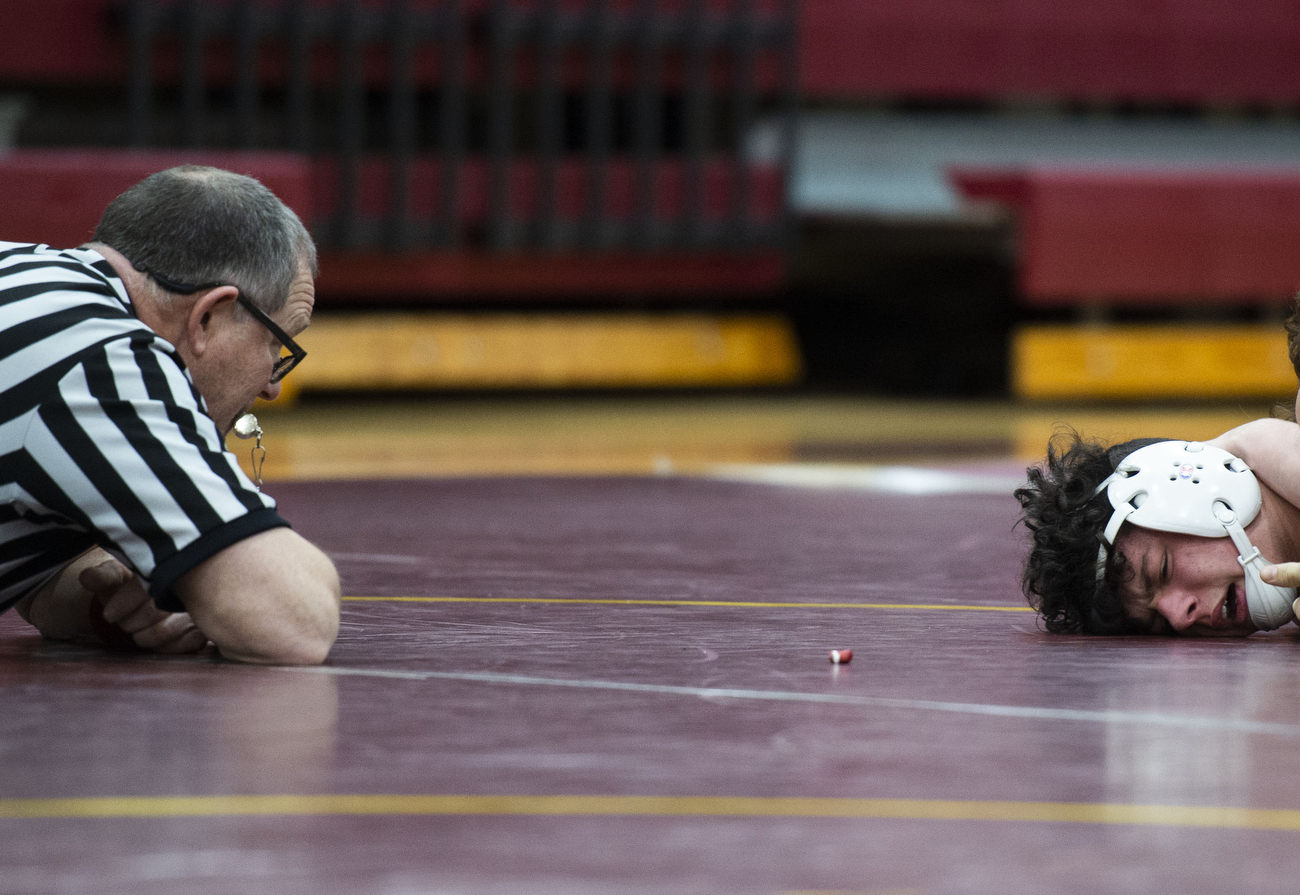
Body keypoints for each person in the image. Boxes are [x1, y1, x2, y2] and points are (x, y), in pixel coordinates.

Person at [0, 166, 340, 664]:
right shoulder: (99, 361)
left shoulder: (22, 272)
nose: (273, 385)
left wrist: (133, 597)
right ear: (206, 317)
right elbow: (291, 620)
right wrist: (224, 574)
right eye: (276, 343)